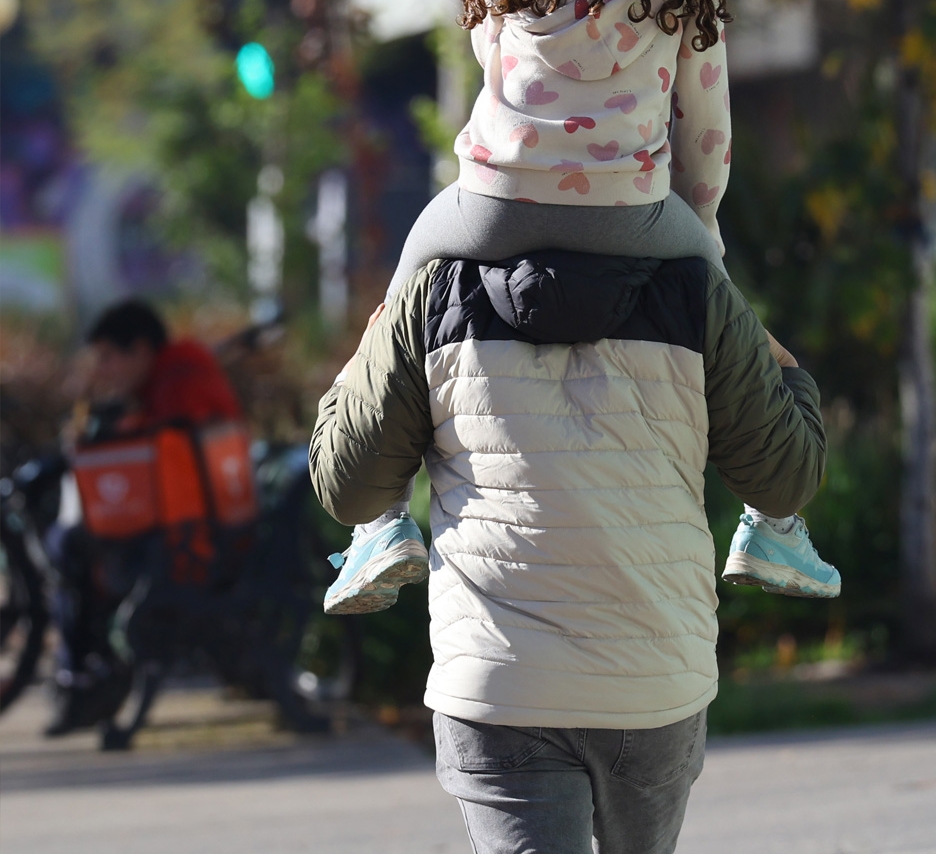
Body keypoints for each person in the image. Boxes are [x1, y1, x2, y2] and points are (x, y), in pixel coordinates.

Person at [322, 0, 838, 617]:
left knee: (398, 307)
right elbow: (705, 130)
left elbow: (493, 70)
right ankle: (774, 521)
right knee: (735, 329)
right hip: (630, 210)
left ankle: (379, 522)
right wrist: (697, 235)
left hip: (491, 204)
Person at [310, 246, 827, 852]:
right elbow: (785, 479)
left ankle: (385, 537)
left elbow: (347, 486)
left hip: (499, 680)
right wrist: (785, 367)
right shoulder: (697, 288)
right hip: (654, 674)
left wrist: (357, 368)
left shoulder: (435, 291)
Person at [44, 298, 244, 736]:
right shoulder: (168, 378)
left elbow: (169, 459)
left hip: (189, 542)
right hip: (182, 529)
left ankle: (85, 678)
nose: (104, 370)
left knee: (68, 546)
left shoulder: (179, 379)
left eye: (108, 358)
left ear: (139, 350)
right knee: (68, 545)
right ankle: (85, 676)